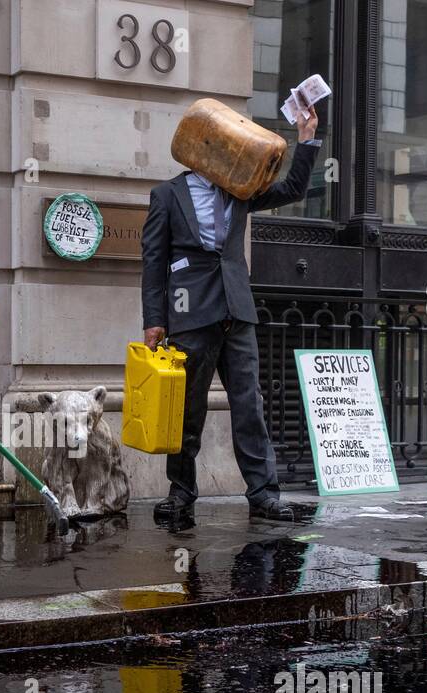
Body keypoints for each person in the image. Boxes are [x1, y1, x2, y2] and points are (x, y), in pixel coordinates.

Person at [142, 104, 322, 526]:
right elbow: (152, 261)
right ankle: (181, 494)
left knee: (249, 406)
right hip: (190, 311)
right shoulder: (166, 195)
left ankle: (263, 495)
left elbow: (294, 188)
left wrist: (307, 137)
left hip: (237, 309)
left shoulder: (241, 188)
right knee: (187, 408)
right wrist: (154, 319)